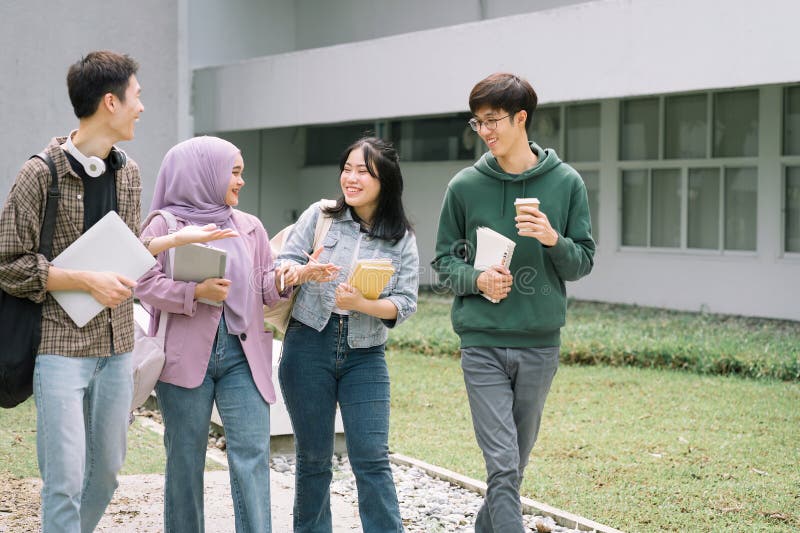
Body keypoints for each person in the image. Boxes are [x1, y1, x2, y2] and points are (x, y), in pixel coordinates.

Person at [0, 51, 232, 533]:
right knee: (63, 481)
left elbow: (122, 253)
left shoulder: (129, 173)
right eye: (137, 96)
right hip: (60, 349)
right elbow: (9, 264)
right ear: (111, 101)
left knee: (104, 477)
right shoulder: (39, 174)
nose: (141, 107)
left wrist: (172, 240)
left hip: (117, 347)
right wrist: (86, 280)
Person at [432, 73, 595, 533]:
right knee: (502, 464)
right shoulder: (464, 186)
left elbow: (582, 262)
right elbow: (444, 260)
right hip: (481, 341)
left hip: (540, 344)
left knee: (512, 468)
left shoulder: (566, 183)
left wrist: (552, 239)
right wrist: (478, 280)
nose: (485, 131)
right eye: (477, 122)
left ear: (521, 118)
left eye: (494, 120)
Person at [135, 135, 323, 533]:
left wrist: (293, 278)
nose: (240, 182)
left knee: (252, 455)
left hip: (244, 357)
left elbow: (263, 288)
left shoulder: (249, 227)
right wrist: (194, 293)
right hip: (185, 361)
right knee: (185, 459)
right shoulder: (164, 225)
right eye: (234, 173)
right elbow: (142, 282)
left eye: (241, 173)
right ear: (204, 173)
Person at [276, 137, 419, 532]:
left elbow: (405, 302)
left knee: (372, 456)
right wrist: (303, 272)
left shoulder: (400, 237)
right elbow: (282, 265)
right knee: (314, 458)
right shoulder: (320, 215)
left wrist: (363, 305)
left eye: (363, 171)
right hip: (309, 344)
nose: (351, 178)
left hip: (365, 354)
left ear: (384, 181)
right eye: (348, 168)